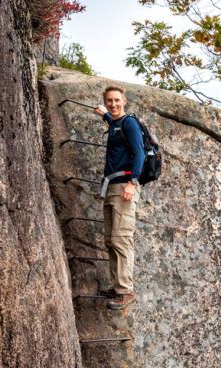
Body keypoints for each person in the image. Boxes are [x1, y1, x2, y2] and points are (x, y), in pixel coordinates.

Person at [94, 85, 145, 310]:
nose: (113, 104)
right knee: (111, 239)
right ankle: (117, 287)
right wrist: (104, 115)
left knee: (121, 238)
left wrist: (132, 182)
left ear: (124, 100)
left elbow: (140, 153)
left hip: (124, 186)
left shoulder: (129, 123)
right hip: (112, 186)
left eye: (116, 100)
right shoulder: (115, 123)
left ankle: (125, 291)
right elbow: (112, 121)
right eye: (109, 101)